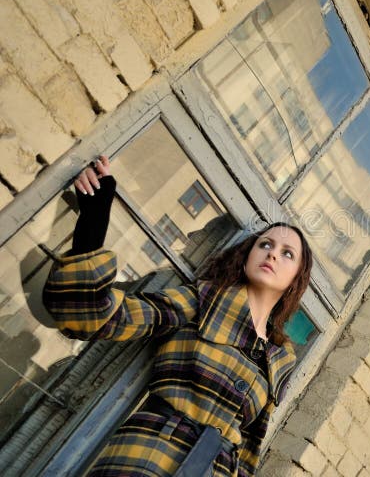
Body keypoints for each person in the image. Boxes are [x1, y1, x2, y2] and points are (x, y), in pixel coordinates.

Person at [42, 156, 313, 476]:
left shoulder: (280, 358)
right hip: (147, 461)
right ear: (246, 256)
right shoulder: (203, 300)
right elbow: (103, 316)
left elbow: (249, 452)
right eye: (265, 244)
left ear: (296, 278)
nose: (272, 253)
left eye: (287, 253)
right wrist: (95, 215)